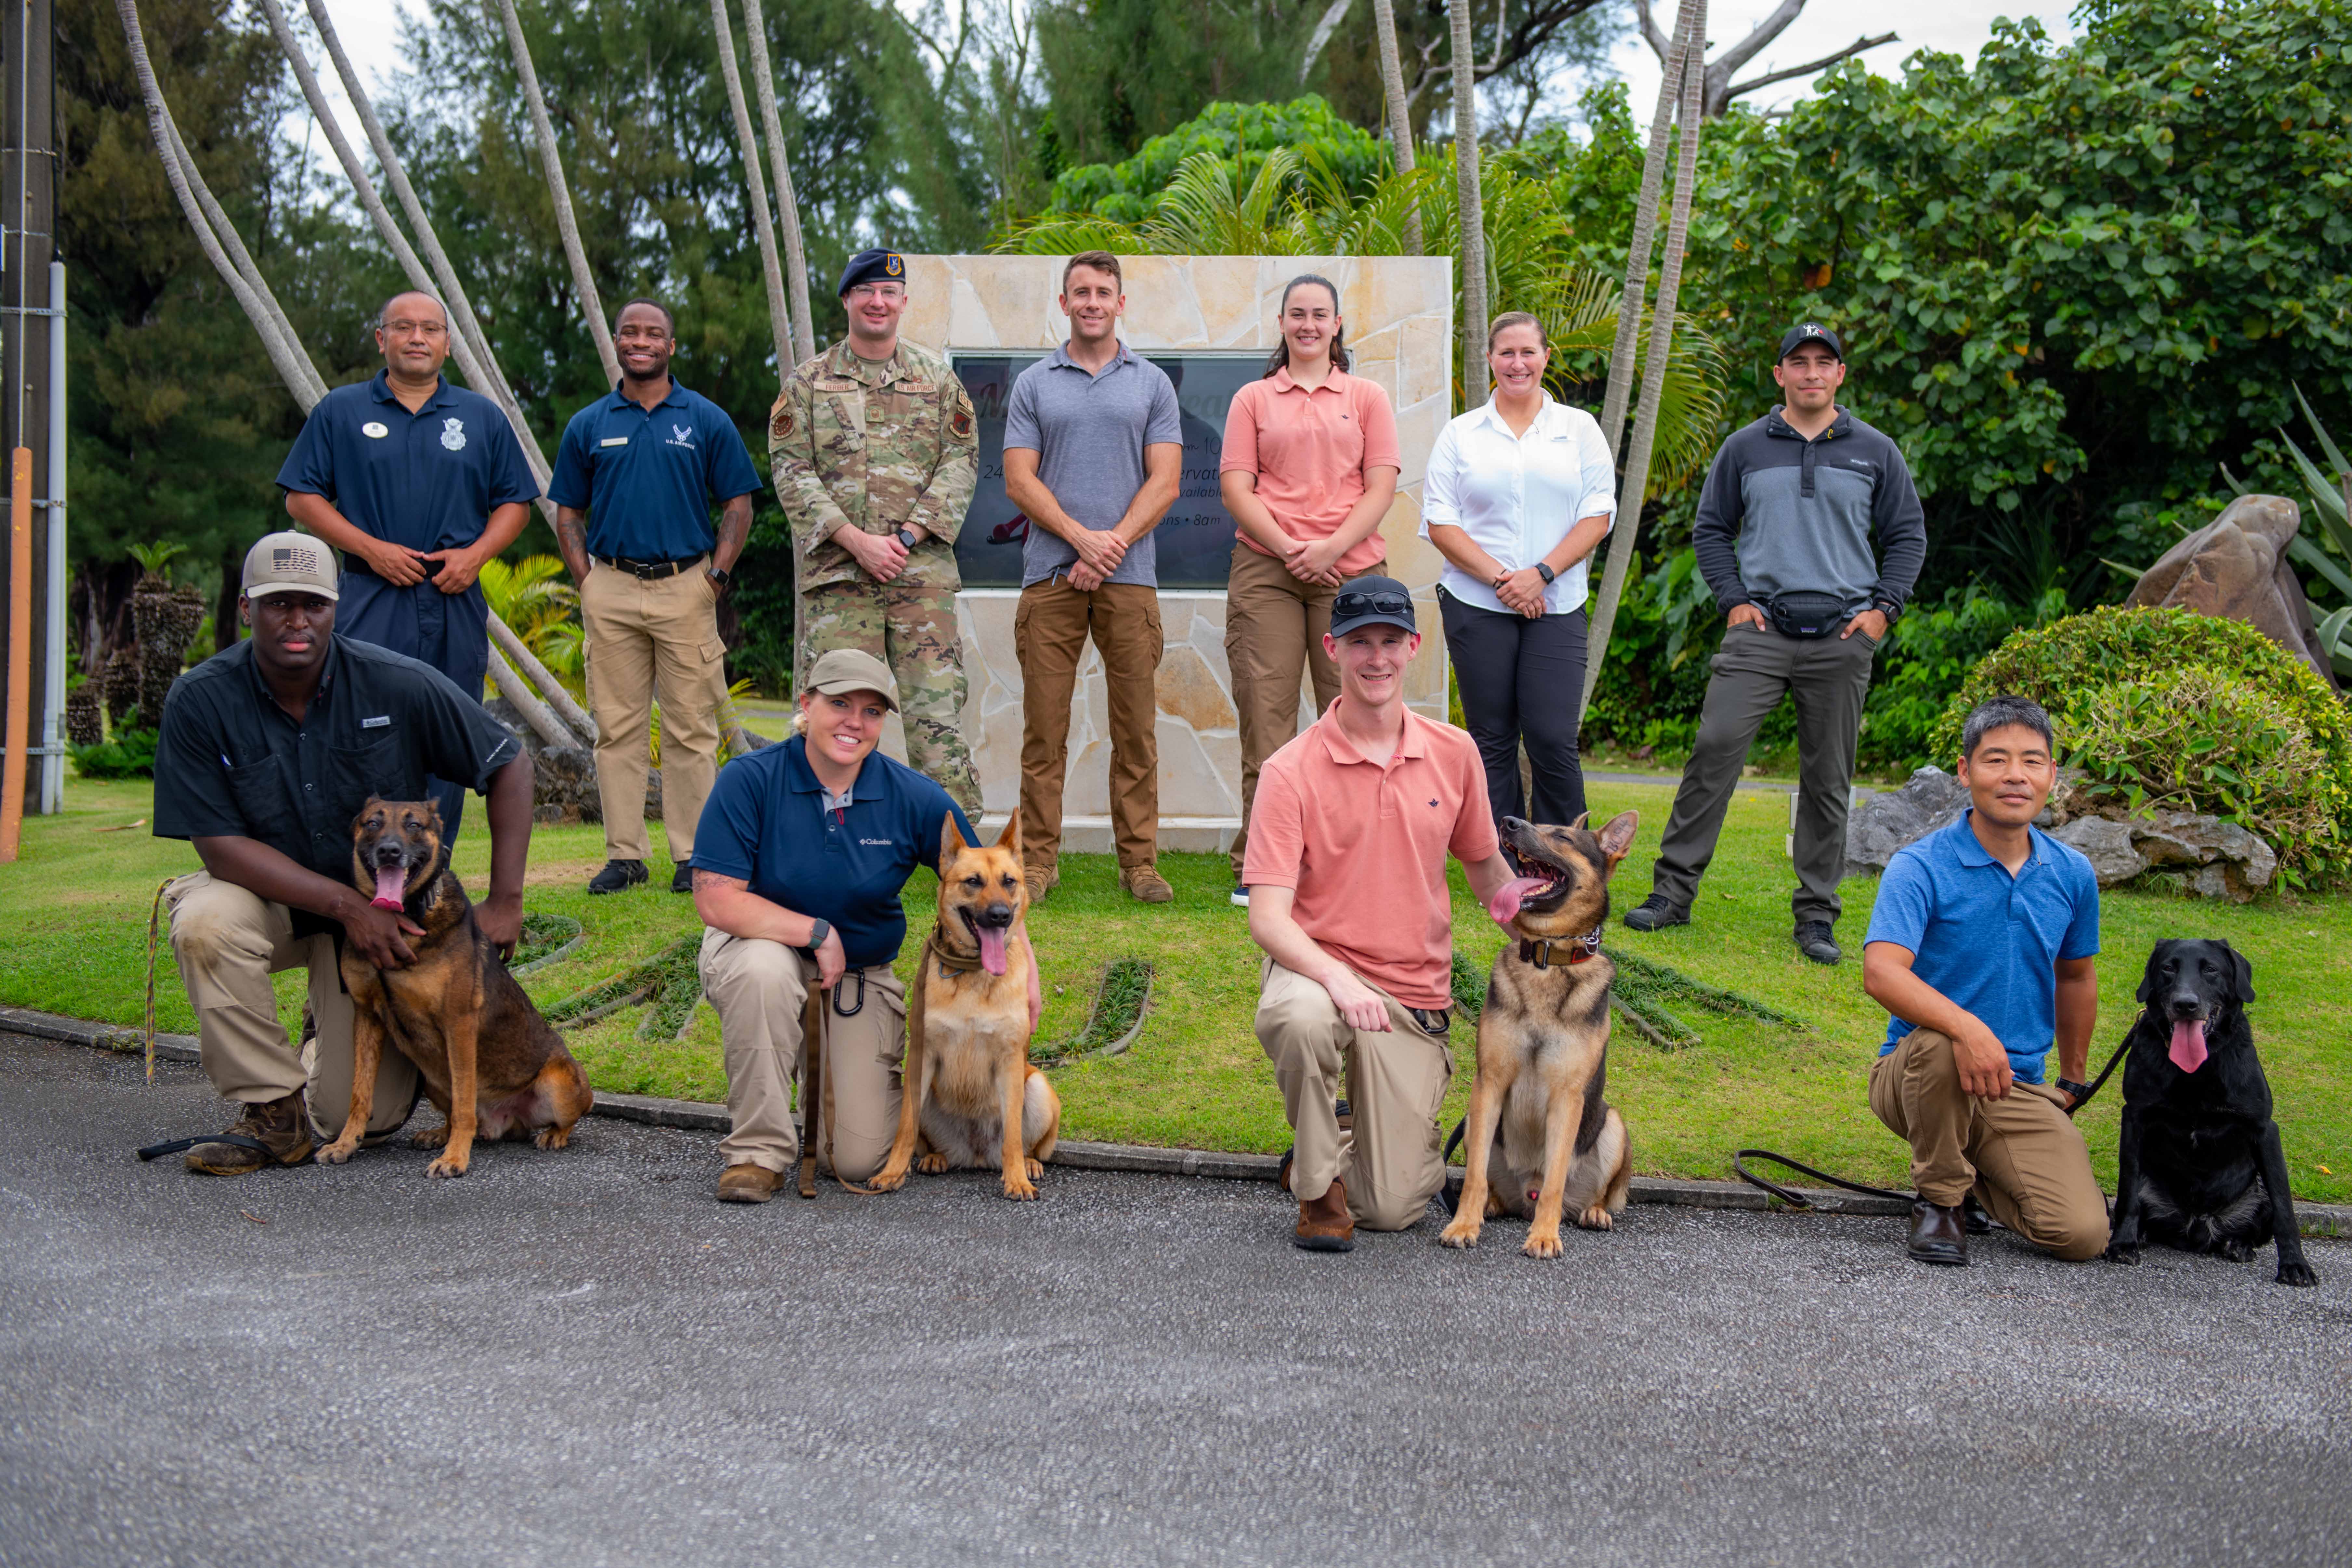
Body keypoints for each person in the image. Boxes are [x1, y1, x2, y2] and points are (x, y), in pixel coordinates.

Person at [152, 531, 534, 1175]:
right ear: (246, 608)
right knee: (206, 925)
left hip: (381, 923)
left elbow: (509, 764)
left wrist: (506, 900)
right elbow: (219, 848)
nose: (297, 620)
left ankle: (316, 1048)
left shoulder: (396, 684)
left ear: (337, 606)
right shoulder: (202, 699)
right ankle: (273, 1112)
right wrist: (349, 908)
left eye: (313, 604)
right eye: (278, 604)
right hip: (272, 901)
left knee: (367, 1119)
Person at [1623, 323, 1926, 966]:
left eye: (1824, 363)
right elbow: (1711, 530)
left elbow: (1907, 536)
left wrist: (1882, 612)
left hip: (1843, 635)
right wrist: (1733, 600)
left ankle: (1817, 916)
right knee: (1714, 751)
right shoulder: (1745, 448)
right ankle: (1671, 895)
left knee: (1828, 777)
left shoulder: (1875, 450)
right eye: (1799, 362)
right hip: (1760, 633)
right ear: (1780, 373)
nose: (1812, 373)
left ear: (1840, 374)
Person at [691, 649, 1039, 1203]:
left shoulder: (914, 797)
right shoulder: (750, 780)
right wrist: (816, 933)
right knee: (764, 972)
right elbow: (716, 902)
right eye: (840, 704)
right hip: (760, 950)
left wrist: (1027, 970)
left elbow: (990, 881)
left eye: (873, 711)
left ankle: (823, 1087)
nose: (856, 722)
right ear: (806, 705)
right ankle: (756, 1154)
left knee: (852, 1156)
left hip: (858, 977)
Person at [1245, 576, 1517, 1252]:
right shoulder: (1289, 771)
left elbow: (1485, 868)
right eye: (1360, 642)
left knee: (1394, 1209)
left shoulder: (1453, 754)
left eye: (1390, 642)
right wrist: (1337, 980)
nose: (1377, 658)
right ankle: (1317, 1190)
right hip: (1320, 972)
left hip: (1412, 993)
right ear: (1332, 648)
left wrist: (1542, 930)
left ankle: (1331, 1147)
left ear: (1414, 648)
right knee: (1300, 1018)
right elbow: (1271, 919)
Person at [277, 289, 539, 839]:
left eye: (429, 329)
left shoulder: (481, 416)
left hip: (453, 601)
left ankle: (431, 878)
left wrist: (476, 557)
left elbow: (516, 504)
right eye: (403, 327)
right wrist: (372, 549)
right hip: (372, 598)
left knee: (451, 732)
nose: (416, 338)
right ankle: (364, 875)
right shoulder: (341, 411)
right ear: (382, 339)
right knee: (364, 729)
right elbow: (301, 498)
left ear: (447, 345)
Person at [1860, 695, 2108, 1269]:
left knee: (2082, 1234)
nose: (2016, 775)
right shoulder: (1919, 866)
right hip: (1920, 1073)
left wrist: (2072, 1078)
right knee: (1945, 1042)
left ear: (2052, 774)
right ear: (1966, 772)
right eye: (1996, 760)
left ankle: (1974, 1179)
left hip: (2014, 1086)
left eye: (2033, 761)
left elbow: (2076, 977)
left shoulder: (2071, 873)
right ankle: (1940, 1201)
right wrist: (1966, 1027)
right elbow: (1882, 972)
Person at [549, 298, 764, 897]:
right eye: (629, 333)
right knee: (615, 729)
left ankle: (693, 855)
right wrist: (587, 580)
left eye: (653, 334)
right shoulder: (589, 424)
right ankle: (624, 856)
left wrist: (714, 579)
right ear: (617, 343)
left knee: (690, 728)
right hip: (610, 587)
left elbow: (739, 505)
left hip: (686, 585)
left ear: (671, 347)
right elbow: (568, 510)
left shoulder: (705, 419)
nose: (640, 342)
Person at [771, 248, 983, 815]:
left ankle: (956, 851)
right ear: (847, 299)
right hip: (841, 582)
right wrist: (855, 540)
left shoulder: (938, 382)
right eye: (866, 291)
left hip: (922, 584)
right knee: (837, 716)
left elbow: (961, 463)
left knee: (935, 719)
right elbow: (791, 469)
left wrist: (908, 536)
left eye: (889, 293)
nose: (878, 301)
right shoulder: (808, 384)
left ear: (904, 303)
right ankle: (825, 836)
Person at [1002, 250, 1184, 906]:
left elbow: (1165, 480)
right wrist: (1082, 540)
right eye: (1080, 291)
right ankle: (1038, 864)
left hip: (1130, 579)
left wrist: (1111, 548)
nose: (1092, 302)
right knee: (1044, 731)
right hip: (1049, 579)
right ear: (1065, 303)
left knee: (1134, 728)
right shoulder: (1034, 383)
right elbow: (1020, 479)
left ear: (1120, 302)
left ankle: (1139, 864)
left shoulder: (1152, 384)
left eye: (1103, 291)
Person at [1218, 274, 1401, 908]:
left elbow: (1381, 487)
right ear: (1281, 323)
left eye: (1319, 315)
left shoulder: (1367, 396)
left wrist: (1327, 550)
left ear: (1337, 324)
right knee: (1267, 724)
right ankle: (1263, 867)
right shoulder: (1252, 399)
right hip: (1267, 569)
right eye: (1297, 314)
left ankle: (1354, 864)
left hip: (1351, 575)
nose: (1308, 325)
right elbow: (1237, 488)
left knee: (1354, 720)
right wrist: (1294, 550)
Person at [1421, 311, 1616, 828]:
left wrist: (1542, 575)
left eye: (1528, 352)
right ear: (1490, 359)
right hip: (1476, 603)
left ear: (1547, 357)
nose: (1517, 363)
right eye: (1506, 352)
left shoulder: (1580, 430)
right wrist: (1507, 581)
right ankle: (1504, 859)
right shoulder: (1461, 434)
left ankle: (1568, 856)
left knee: (1552, 735)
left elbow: (1598, 515)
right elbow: (1440, 521)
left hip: (1557, 603)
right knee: (1493, 736)